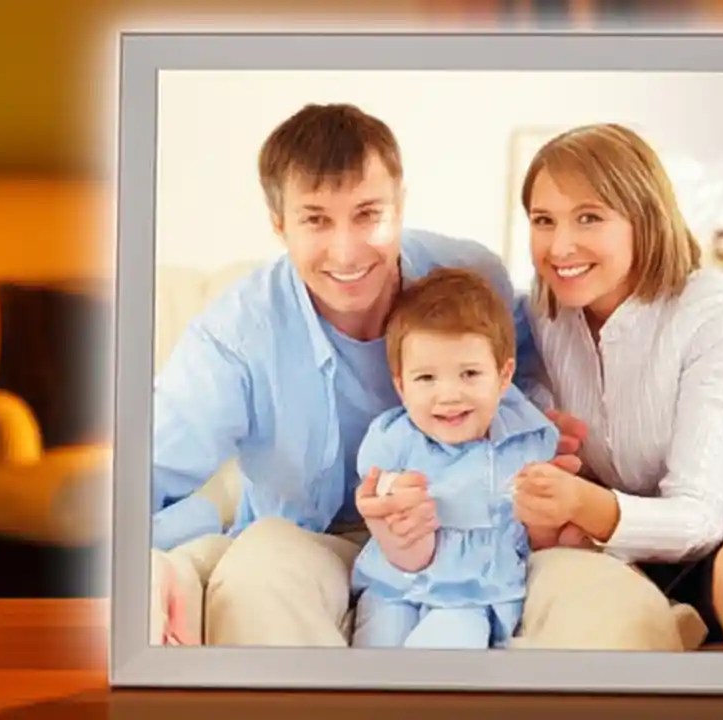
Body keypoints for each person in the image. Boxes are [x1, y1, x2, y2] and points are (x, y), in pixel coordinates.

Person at [148, 103, 583, 646]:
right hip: (309, 539)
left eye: (367, 214)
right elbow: (145, 475)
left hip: (466, 541)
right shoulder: (236, 335)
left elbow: (527, 370)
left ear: (401, 206)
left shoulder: (472, 277)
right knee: (256, 575)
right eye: (315, 219)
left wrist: (539, 422)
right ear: (279, 224)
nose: (347, 250)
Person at [511, 123, 723, 653]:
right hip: (647, 542)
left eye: (589, 218)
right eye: (543, 220)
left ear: (643, 219)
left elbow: (700, 516)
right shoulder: (542, 310)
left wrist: (583, 502)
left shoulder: (715, 312)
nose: (559, 245)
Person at [347, 268, 560, 649]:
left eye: (469, 374)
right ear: (400, 384)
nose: (448, 395)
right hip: (393, 584)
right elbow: (377, 492)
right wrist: (391, 499)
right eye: (426, 378)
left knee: (442, 651)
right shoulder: (393, 438)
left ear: (503, 375)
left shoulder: (523, 438)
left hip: (473, 591)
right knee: (375, 650)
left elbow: (539, 523)